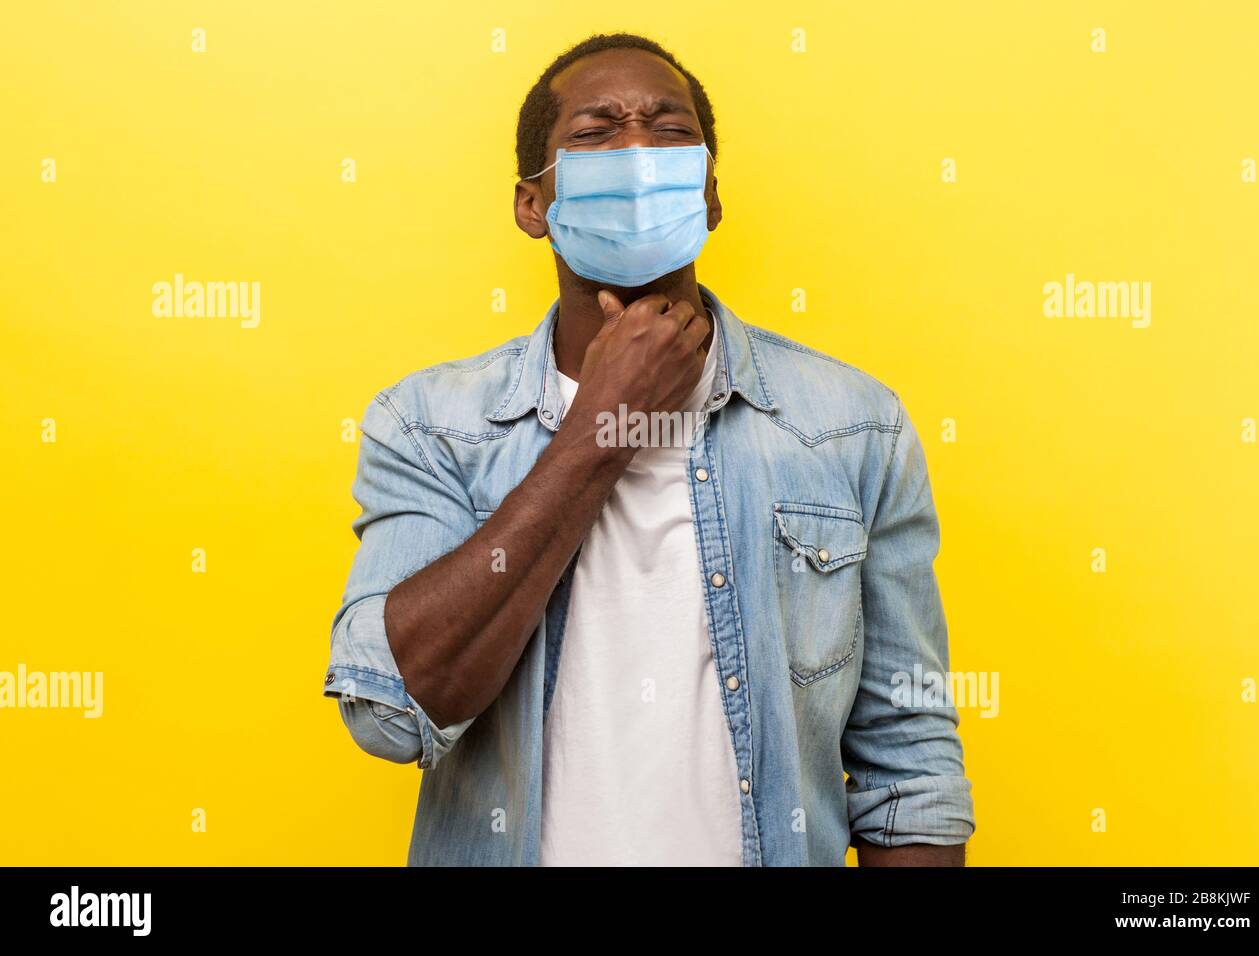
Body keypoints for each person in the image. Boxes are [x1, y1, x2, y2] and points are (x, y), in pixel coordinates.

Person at [323, 31, 975, 866]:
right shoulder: (426, 425)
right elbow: (392, 713)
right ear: (533, 204)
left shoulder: (852, 423)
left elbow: (908, 764)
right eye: (596, 134)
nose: (636, 150)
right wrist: (601, 426)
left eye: (668, 131)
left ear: (708, 196)